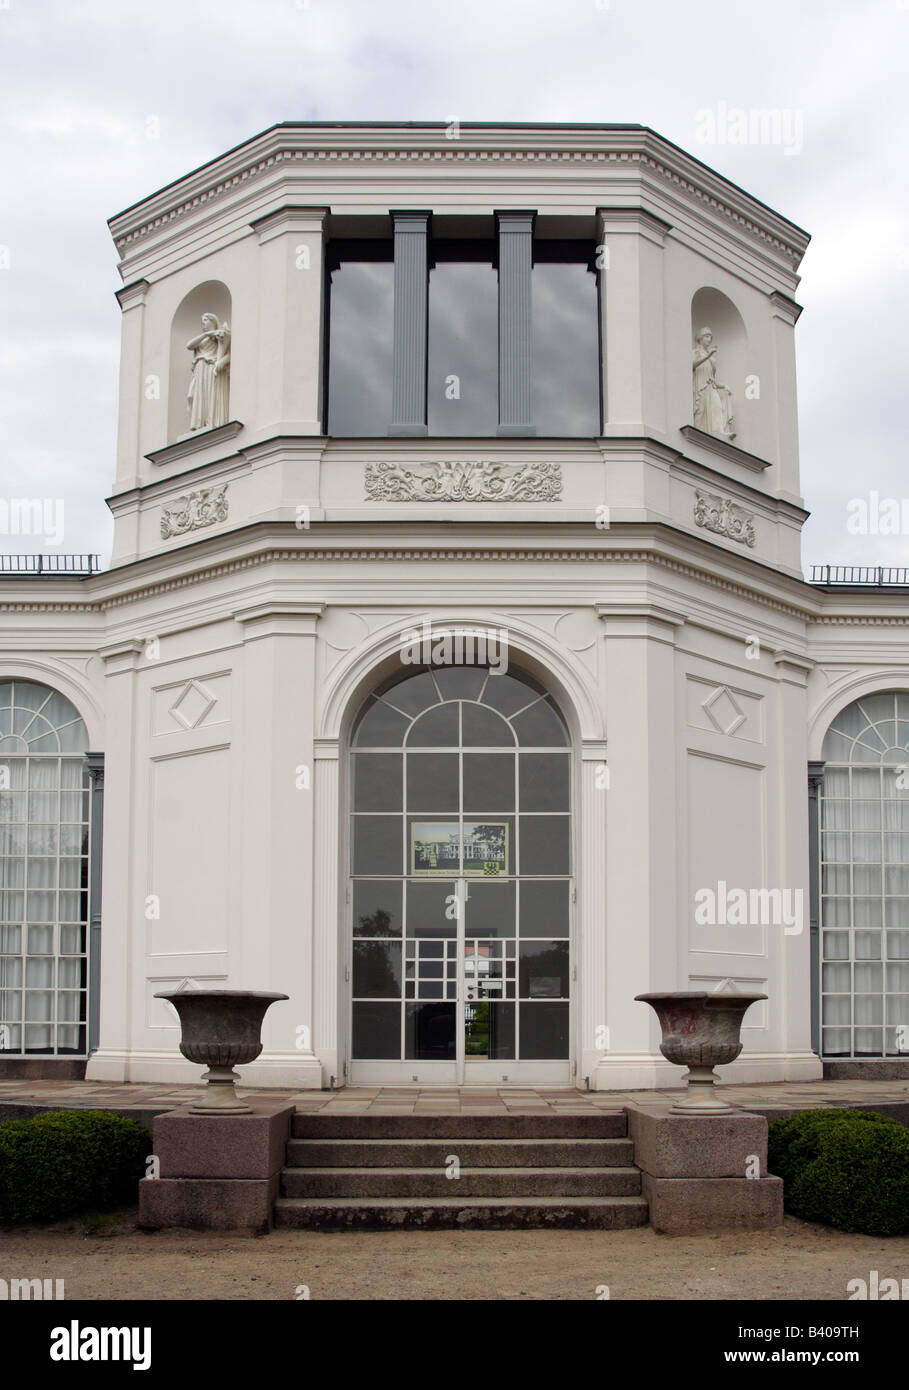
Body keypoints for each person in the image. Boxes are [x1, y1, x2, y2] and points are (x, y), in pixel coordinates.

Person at [186, 313, 230, 431]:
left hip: (211, 368)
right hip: (199, 369)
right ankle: (199, 423)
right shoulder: (203, 338)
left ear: (212, 321)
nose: (203, 324)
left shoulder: (220, 334)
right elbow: (189, 345)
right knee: (193, 396)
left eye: (205, 320)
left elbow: (227, 353)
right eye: (202, 322)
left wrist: (221, 363)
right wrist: (206, 334)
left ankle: (211, 420)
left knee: (210, 393)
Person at [692, 327, 735, 439]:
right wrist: (707, 356)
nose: (709, 339)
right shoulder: (696, 352)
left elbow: (712, 378)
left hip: (711, 386)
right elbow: (692, 365)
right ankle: (697, 432)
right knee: (700, 410)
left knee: (717, 407)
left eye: (710, 337)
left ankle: (719, 431)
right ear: (700, 338)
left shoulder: (711, 359)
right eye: (707, 336)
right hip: (700, 386)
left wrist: (723, 386)